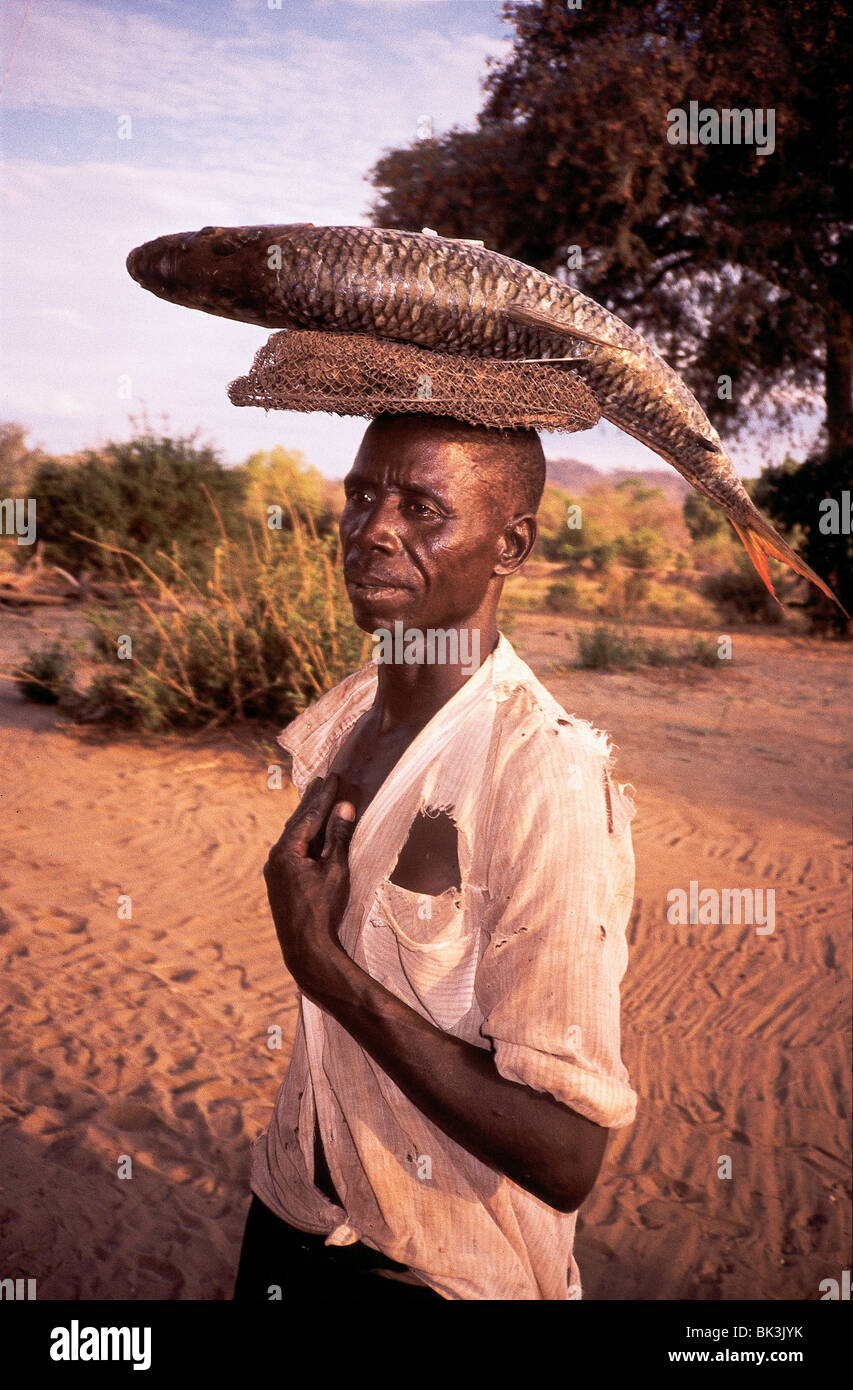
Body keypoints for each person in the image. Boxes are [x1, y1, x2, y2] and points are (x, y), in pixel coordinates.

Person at [233, 411, 637, 1302]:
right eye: (361, 494)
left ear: (510, 544)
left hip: (436, 1271)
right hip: (292, 1210)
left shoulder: (543, 774)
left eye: (423, 506)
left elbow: (565, 1156)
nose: (373, 528)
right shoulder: (340, 722)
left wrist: (322, 967)